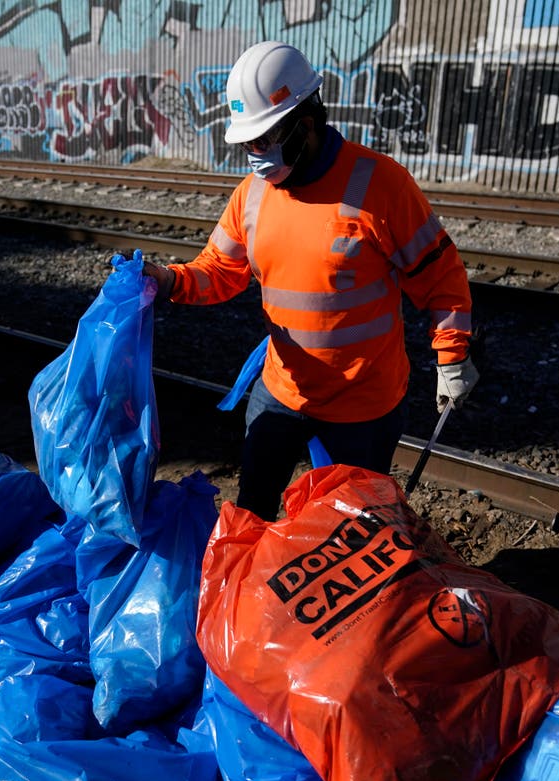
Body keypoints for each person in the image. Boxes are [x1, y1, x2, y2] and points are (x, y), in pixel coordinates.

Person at [141, 41, 478, 520]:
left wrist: (452, 357)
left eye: (263, 142)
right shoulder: (252, 196)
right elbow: (219, 269)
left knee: (350, 530)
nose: (254, 157)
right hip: (282, 389)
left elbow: (440, 276)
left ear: (305, 126)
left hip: (362, 404)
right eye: (246, 146)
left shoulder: (381, 185)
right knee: (254, 508)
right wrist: (167, 281)